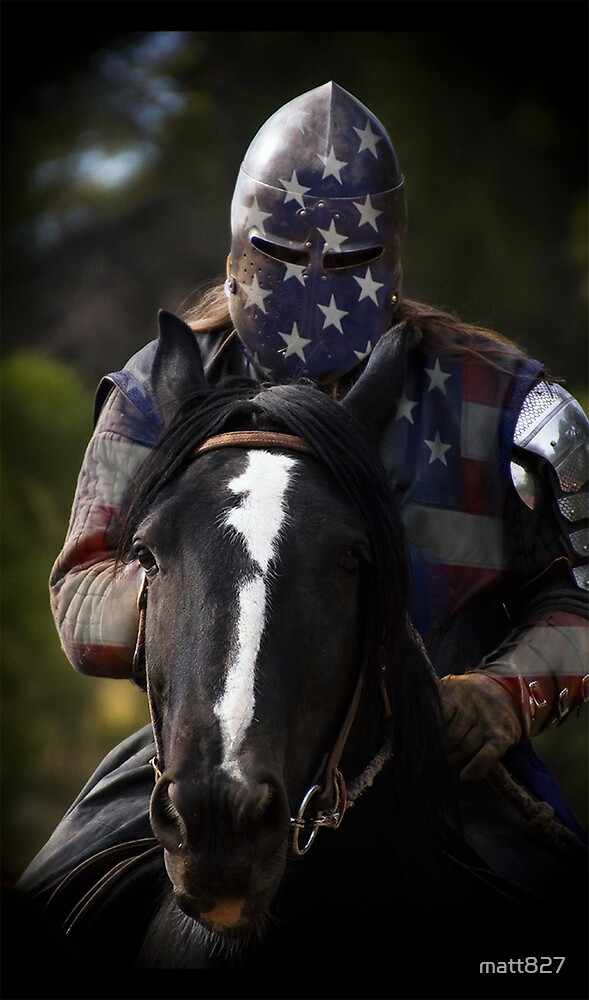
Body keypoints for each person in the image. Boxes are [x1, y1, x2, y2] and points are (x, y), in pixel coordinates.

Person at [19, 81, 588, 915]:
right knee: (50, 907)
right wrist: (212, 616)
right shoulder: (155, 390)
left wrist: (504, 696)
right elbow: (80, 587)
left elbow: (580, 591)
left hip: (449, 772)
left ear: (389, 256)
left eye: (347, 259)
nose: (313, 277)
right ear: (238, 247)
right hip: (212, 755)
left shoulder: (506, 407)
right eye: (281, 250)